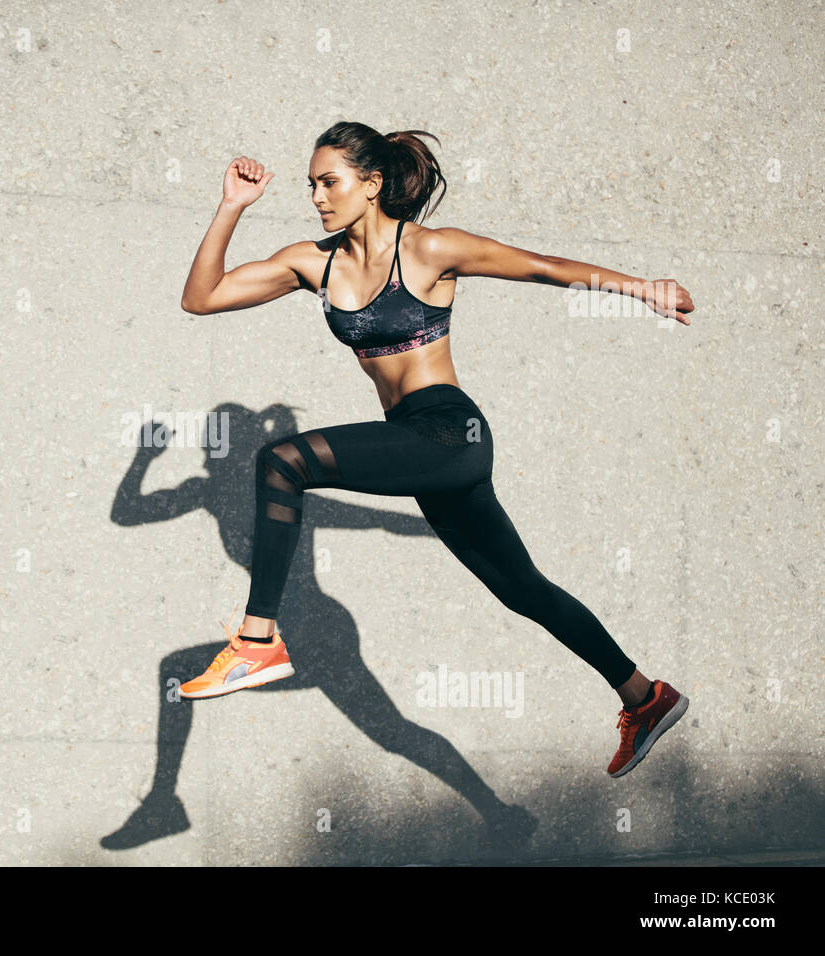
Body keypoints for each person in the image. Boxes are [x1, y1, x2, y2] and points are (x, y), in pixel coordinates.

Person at [178, 122, 693, 776]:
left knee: (282, 462)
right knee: (522, 589)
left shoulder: (429, 249)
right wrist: (230, 208)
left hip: (449, 432)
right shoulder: (314, 262)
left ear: (370, 184)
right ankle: (644, 697)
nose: (316, 196)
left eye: (328, 181)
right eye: (311, 183)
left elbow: (542, 267)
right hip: (415, 450)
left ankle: (256, 641)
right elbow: (202, 298)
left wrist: (643, 288)